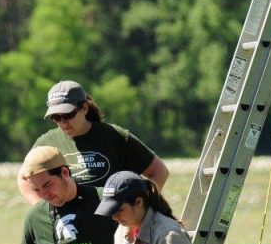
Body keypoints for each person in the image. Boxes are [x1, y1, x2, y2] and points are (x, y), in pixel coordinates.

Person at [17, 80, 169, 204]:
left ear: (84, 108)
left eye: (68, 115)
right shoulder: (47, 142)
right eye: (56, 118)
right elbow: (23, 177)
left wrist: (139, 208)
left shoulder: (114, 136)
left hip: (114, 224)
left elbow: (159, 172)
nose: (63, 122)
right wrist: (40, 208)